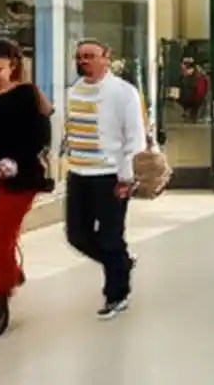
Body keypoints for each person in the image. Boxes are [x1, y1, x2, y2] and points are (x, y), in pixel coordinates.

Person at [0, 39, 52, 340]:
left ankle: (0, 301)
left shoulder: (26, 95)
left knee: (1, 242)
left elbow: (40, 134)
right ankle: (12, 274)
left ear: (12, 66)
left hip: (21, 178)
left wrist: (14, 161)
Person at [64, 39, 147, 320]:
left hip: (110, 176)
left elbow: (135, 138)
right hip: (79, 173)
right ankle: (121, 264)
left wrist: (127, 177)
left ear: (106, 57)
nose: (83, 61)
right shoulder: (73, 91)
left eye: (90, 56)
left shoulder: (124, 93)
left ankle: (116, 294)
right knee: (77, 235)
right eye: (80, 57)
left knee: (111, 237)